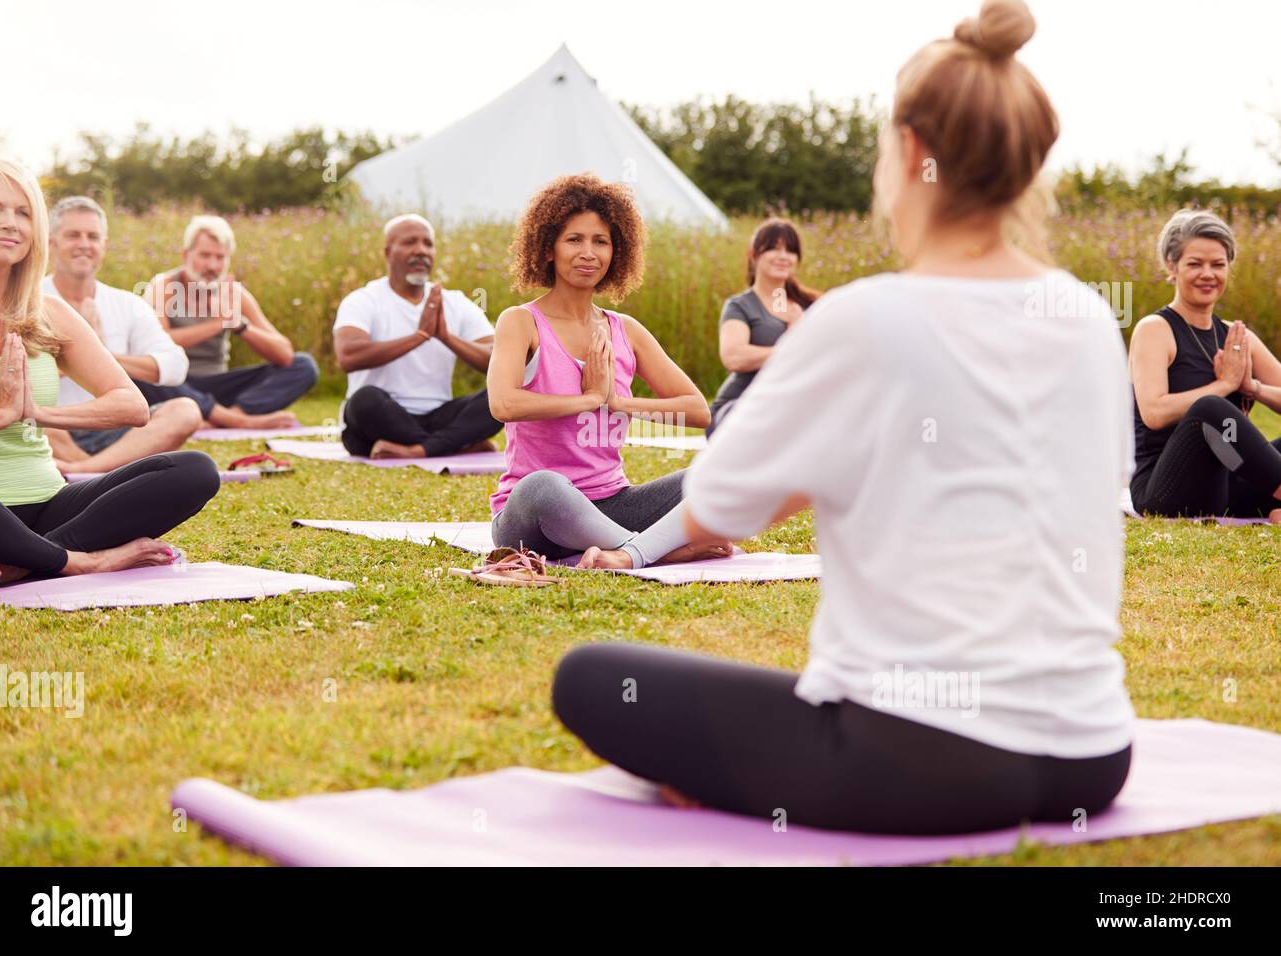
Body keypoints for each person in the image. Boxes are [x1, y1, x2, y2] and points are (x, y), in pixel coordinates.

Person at [551, 0, 1137, 835]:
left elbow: (717, 504)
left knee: (591, 676)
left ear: (909, 153)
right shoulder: (1084, 316)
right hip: (1093, 753)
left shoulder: (865, 318)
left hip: (919, 761)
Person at [0, 155, 218, 589]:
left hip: (46, 501)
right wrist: (0, 417)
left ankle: (27, 561)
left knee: (194, 471)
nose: (10, 223)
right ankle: (82, 562)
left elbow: (132, 405)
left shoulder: (47, 311)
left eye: (23, 212)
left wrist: (35, 411)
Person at [486, 173, 730, 570]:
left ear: (617, 252)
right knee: (543, 487)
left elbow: (697, 410)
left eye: (601, 241)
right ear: (548, 249)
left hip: (614, 504)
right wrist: (588, 399)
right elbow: (503, 404)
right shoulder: (520, 322)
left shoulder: (626, 330)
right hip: (536, 517)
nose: (589, 252)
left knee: (717, 472)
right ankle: (653, 551)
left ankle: (625, 550)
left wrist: (617, 401)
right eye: (574, 240)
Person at [1127, 210, 1281, 521]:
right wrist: (1223, 386)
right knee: (1209, 408)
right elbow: (1154, 414)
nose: (1207, 274)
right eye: (1195, 264)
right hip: (1165, 489)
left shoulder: (1236, 336)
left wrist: (1252, 387)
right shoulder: (1155, 329)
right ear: (1172, 266)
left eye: (1218, 265)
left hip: (1224, 486)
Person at [40, 196, 201, 473]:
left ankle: (83, 470)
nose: (84, 244)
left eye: (92, 236)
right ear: (51, 243)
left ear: (104, 245)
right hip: (53, 427)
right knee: (29, 421)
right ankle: (101, 471)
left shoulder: (127, 304)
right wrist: (69, 357)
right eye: (73, 235)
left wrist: (98, 353)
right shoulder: (29, 300)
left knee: (185, 411)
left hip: (114, 431)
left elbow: (175, 366)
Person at [333, 214, 500, 458]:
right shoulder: (363, 300)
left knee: (501, 393)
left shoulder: (455, 302)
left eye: (428, 244)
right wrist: (419, 336)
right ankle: (455, 444)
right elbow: (348, 357)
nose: (421, 250)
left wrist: (447, 338)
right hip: (382, 421)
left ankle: (419, 450)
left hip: (438, 416)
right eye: (410, 242)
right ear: (388, 252)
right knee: (363, 400)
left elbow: (499, 360)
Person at [139, 215, 318, 429]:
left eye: (220, 257)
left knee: (304, 366)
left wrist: (239, 325)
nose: (212, 265)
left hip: (218, 385)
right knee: (138, 371)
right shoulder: (164, 286)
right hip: (175, 384)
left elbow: (285, 354)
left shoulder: (235, 294)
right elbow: (156, 343)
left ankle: (226, 417)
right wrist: (218, 324)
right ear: (186, 255)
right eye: (205, 255)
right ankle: (236, 421)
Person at [707, 218, 819, 437]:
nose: (783, 257)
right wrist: (793, 342)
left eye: (791, 250)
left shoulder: (810, 306)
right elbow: (734, 357)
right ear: (754, 254)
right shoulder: (740, 306)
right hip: (738, 408)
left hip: (792, 407)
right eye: (774, 249)